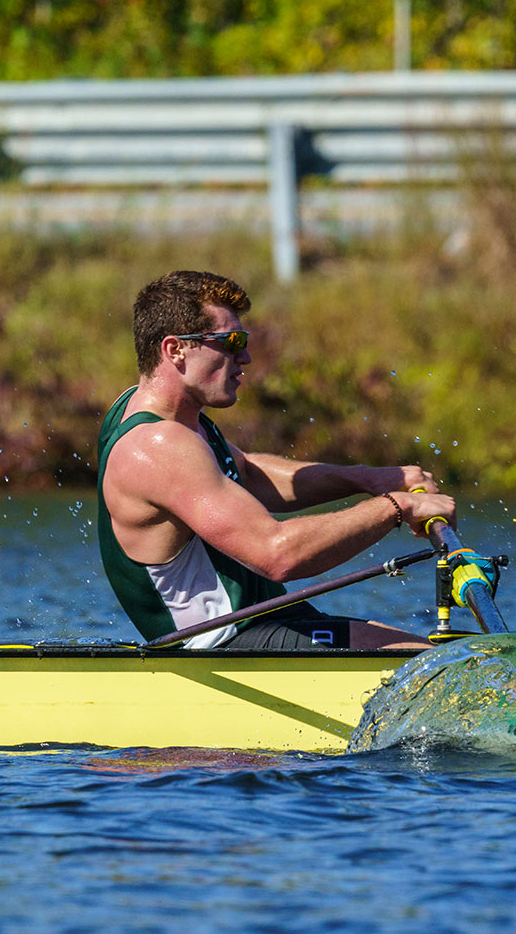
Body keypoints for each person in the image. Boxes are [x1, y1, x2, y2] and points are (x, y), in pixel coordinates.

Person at [96, 270, 455, 650]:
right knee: (431, 659)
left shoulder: (157, 412)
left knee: (433, 653)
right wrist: (397, 507)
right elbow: (278, 553)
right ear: (175, 350)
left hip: (264, 621)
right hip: (223, 644)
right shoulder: (160, 446)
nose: (245, 356)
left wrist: (368, 479)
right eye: (231, 342)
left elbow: (247, 474)